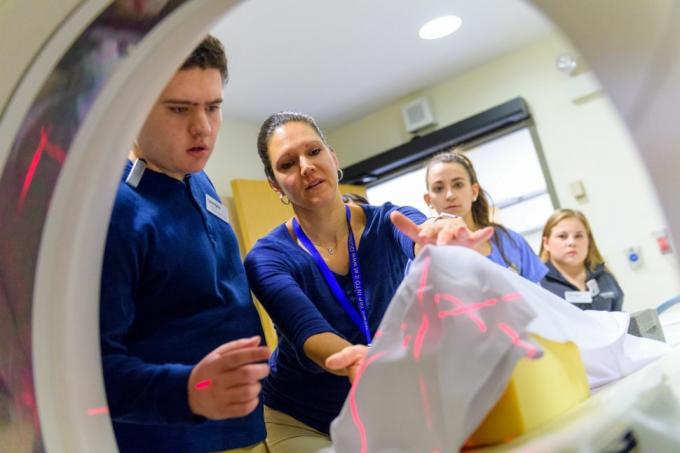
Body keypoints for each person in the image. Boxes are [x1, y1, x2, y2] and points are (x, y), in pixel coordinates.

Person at [244, 112, 492, 452]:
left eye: (314, 152)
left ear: (333, 156)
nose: (306, 167)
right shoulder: (267, 258)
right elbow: (308, 333)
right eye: (287, 164)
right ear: (274, 184)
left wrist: (438, 239)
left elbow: (419, 237)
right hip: (303, 417)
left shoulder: (388, 220)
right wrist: (364, 360)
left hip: (385, 404)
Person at [99, 36, 270, 453]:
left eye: (213, 107)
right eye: (180, 109)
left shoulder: (200, 180)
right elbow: (92, 369)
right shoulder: (110, 210)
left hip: (248, 429)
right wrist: (188, 392)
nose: (204, 128)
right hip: (173, 441)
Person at [423, 150, 547, 282]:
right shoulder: (423, 253)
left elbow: (539, 297)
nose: (450, 195)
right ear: (429, 200)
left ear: (474, 191)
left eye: (458, 185)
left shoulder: (511, 241)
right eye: (439, 188)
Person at [539, 209, 624, 311]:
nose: (571, 242)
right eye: (562, 236)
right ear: (546, 243)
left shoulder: (605, 277)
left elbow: (620, 320)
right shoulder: (538, 284)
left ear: (588, 240)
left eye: (578, 236)